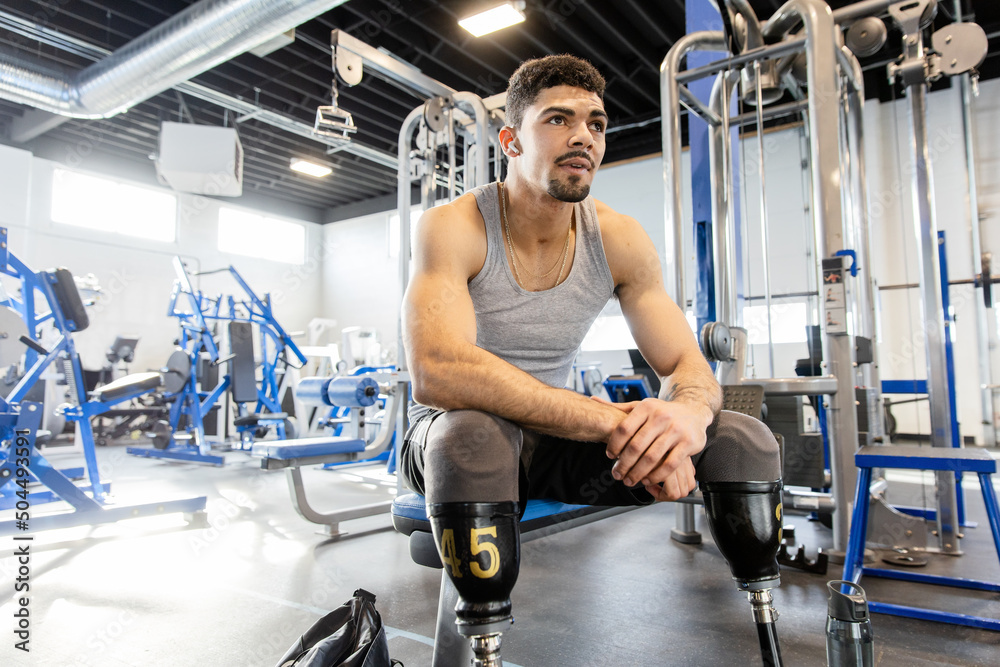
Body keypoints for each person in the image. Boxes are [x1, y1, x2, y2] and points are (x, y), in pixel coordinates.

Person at [400, 54, 784, 664]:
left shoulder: (621, 237)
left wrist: (683, 418)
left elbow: (689, 366)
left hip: (554, 441)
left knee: (742, 437)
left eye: (597, 123)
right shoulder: (454, 227)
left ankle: (767, 625)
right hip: (451, 434)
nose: (583, 135)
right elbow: (440, 370)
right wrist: (616, 421)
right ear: (510, 140)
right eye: (558, 119)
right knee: (471, 439)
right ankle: (479, 648)